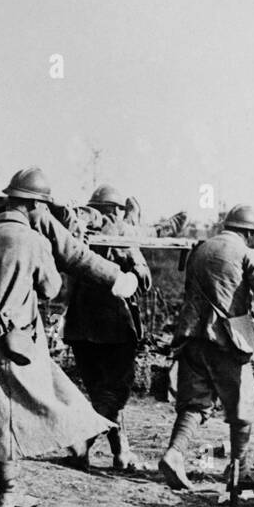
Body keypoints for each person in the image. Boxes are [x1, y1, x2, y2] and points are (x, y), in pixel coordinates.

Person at [0, 169, 139, 507]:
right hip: (9, 342)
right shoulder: (31, 241)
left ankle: (9, 490)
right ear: (34, 205)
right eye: (43, 209)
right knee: (13, 411)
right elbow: (51, 288)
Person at [159, 204, 254, 489]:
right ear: (249, 232)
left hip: (191, 336)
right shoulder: (249, 255)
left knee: (194, 402)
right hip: (227, 340)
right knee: (244, 406)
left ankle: (174, 453)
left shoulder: (199, 250)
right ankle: (236, 471)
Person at [62, 184, 153, 471]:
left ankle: (120, 451)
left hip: (79, 325)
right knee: (114, 391)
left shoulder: (76, 236)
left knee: (101, 392)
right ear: (115, 210)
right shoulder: (122, 236)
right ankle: (83, 442)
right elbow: (144, 279)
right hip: (115, 326)